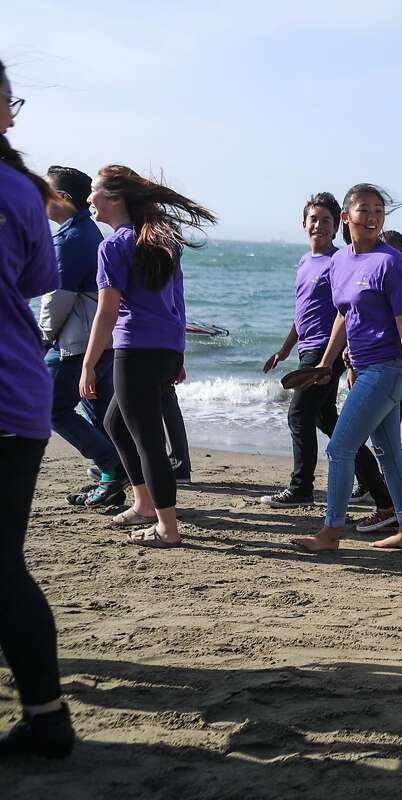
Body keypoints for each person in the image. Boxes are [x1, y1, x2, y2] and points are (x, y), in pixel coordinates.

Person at [0, 58, 75, 758]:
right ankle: (47, 713)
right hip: (19, 393)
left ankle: (48, 716)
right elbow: (34, 281)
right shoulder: (24, 193)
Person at [79, 165, 216, 548]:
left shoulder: (113, 246)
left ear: (115, 199)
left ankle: (167, 528)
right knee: (117, 425)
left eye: (94, 192)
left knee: (148, 441)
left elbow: (107, 313)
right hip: (163, 349)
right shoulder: (162, 239)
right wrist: (178, 353)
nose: (89, 199)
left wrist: (89, 364)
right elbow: (178, 301)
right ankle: (143, 505)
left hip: (136, 351)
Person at [293, 184, 402, 553]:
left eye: (379, 211)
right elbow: (343, 315)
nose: (372, 217)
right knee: (388, 453)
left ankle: (330, 533)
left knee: (339, 448)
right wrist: (327, 361)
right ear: (347, 218)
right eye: (364, 210)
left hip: (388, 371)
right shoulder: (340, 262)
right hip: (364, 369)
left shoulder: (388, 262)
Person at [260, 191, 394, 529]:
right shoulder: (305, 262)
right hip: (308, 349)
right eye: (314, 219)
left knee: (299, 415)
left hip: (326, 352)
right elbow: (301, 313)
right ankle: (379, 492)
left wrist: (339, 358)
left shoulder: (339, 261)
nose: (319, 225)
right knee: (332, 424)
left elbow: (348, 309)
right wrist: (285, 349)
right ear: (303, 224)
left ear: (338, 226)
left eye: (326, 221)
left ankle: (301, 488)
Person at [41, 165, 127, 507]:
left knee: (50, 408)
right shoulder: (88, 232)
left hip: (77, 344)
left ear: (62, 198)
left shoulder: (72, 238)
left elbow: (57, 298)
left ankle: (111, 465)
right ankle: (115, 477)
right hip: (103, 340)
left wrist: (42, 338)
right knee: (98, 409)